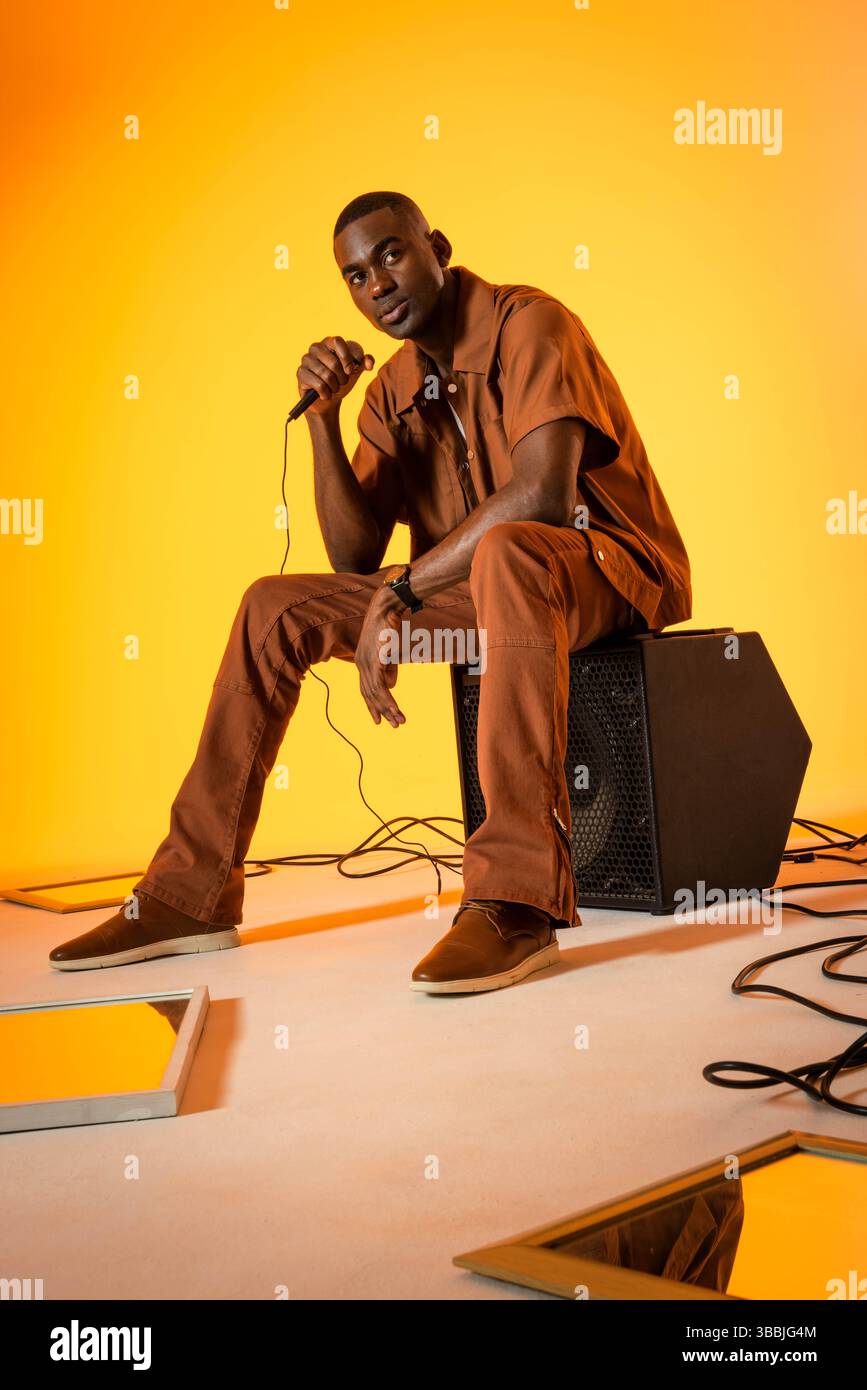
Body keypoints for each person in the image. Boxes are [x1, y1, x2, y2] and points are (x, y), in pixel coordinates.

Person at [49, 190, 692, 993]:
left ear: (438, 247)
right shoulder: (393, 386)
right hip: (487, 595)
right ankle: (190, 894)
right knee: (271, 605)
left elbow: (541, 499)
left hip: (607, 572)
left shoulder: (530, 323)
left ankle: (512, 901)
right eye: (354, 276)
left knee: (508, 551)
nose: (376, 284)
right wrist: (325, 418)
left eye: (390, 254)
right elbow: (354, 556)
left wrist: (407, 591)